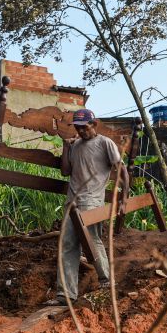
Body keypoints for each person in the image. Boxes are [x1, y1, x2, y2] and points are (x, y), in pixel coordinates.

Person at [47, 109, 127, 305]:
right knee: (67, 246)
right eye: (78, 128)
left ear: (94, 124)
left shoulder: (105, 143)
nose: (82, 131)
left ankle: (107, 281)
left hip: (91, 202)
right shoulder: (75, 146)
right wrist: (66, 147)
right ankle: (65, 294)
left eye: (85, 127)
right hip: (71, 202)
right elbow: (65, 171)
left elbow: (122, 171)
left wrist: (123, 200)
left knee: (92, 240)